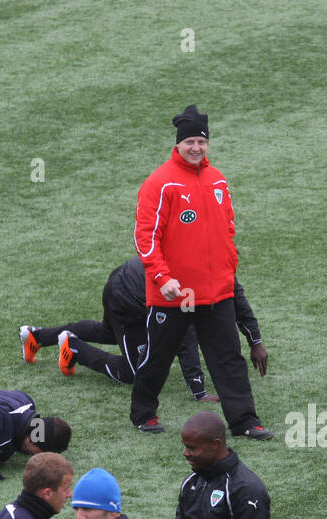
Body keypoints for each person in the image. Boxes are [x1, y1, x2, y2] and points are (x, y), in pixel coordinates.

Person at [130, 105, 272, 440]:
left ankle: (245, 421)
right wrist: (163, 279)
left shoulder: (218, 180)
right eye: (190, 141)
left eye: (201, 142)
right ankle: (143, 413)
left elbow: (228, 227)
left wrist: (227, 267)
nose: (196, 148)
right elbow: (146, 237)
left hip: (216, 291)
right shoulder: (160, 183)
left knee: (228, 360)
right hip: (174, 295)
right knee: (158, 358)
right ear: (178, 144)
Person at [19, 257, 269, 401]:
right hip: (126, 298)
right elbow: (185, 335)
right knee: (136, 373)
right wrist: (199, 390)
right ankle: (73, 347)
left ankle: (36, 336)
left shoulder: (220, 269)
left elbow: (239, 302)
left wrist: (255, 342)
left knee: (108, 333)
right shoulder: (190, 281)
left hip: (129, 281)